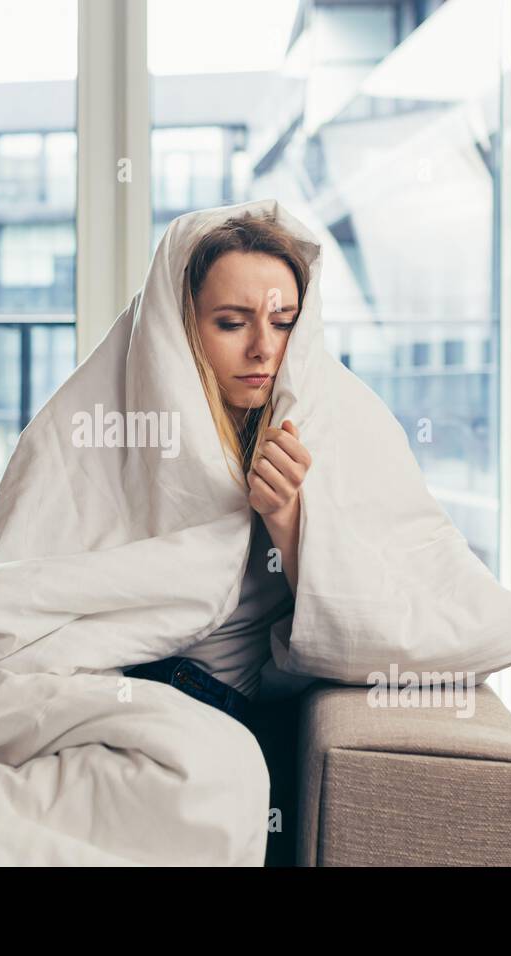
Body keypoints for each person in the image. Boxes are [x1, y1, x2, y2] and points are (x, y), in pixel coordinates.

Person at [121, 211, 313, 865]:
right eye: (232, 322)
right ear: (183, 329)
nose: (263, 348)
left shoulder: (309, 430)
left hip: (216, 703)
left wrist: (286, 522)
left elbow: (351, 612)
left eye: (283, 322)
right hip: (114, 685)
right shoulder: (125, 432)